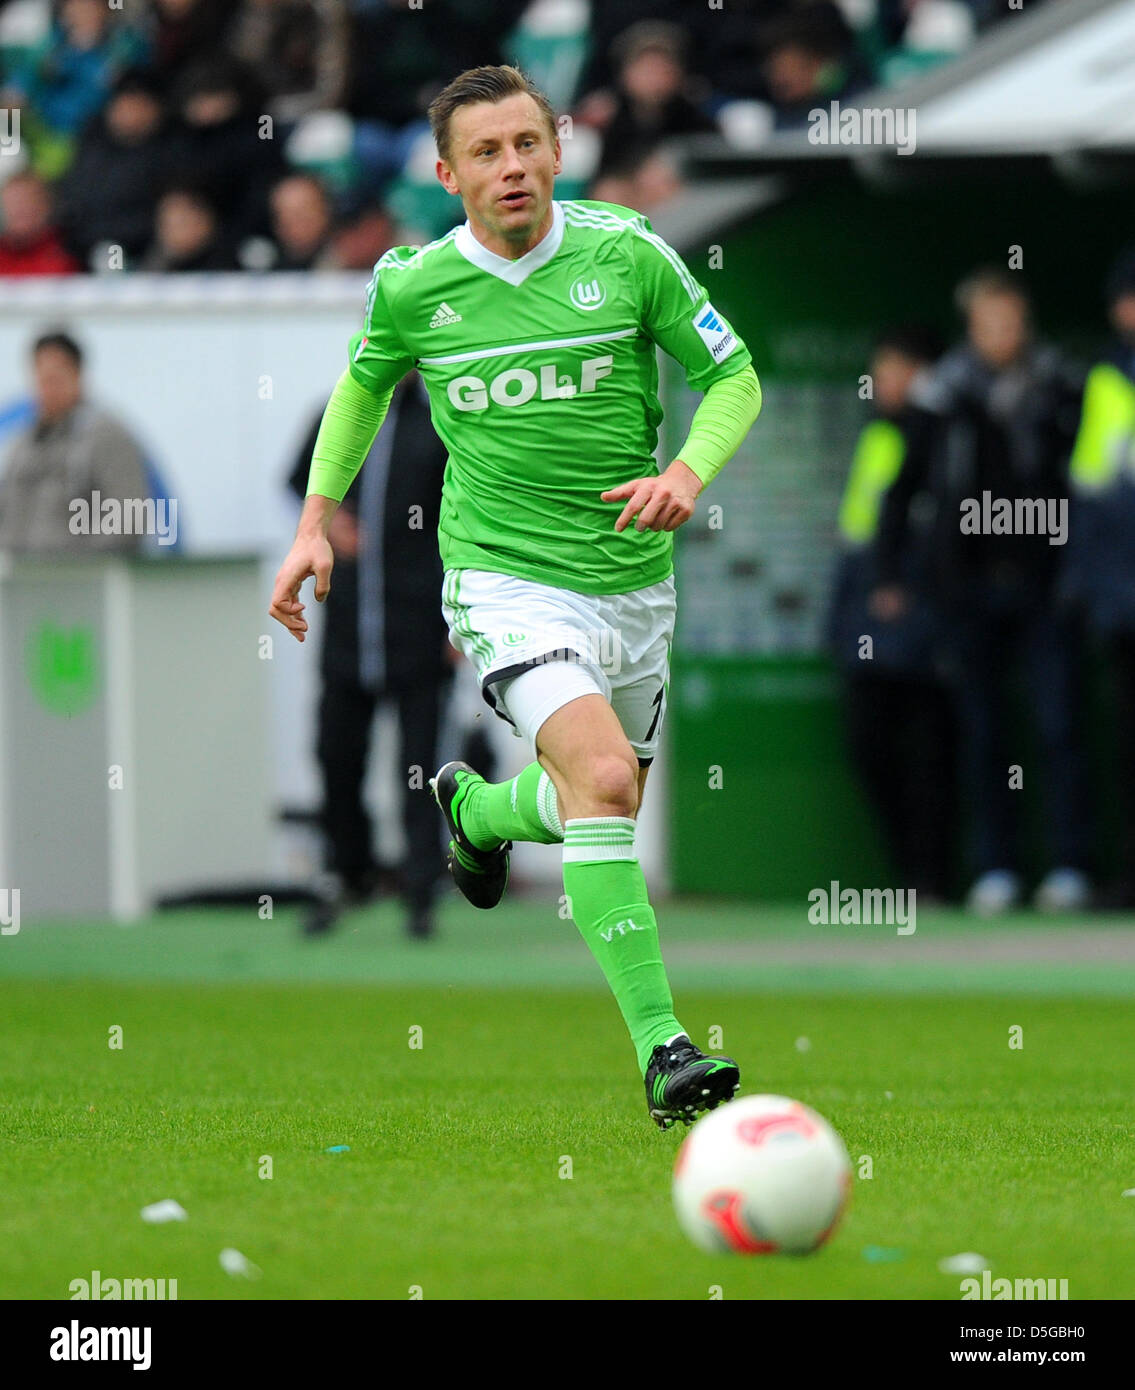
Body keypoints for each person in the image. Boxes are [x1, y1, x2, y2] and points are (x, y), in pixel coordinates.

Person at [269, 64, 763, 1131]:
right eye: (486, 153)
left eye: (526, 145)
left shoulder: (625, 254)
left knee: (601, 796)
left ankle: (478, 811)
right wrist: (315, 522)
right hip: (504, 579)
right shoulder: (414, 288)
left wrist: (685, 472)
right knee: (598, 776)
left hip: (632, 584)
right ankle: (662, 1049)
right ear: (448, 174)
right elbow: (360, 388)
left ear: (557, 148)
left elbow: (733, 376)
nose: (511, 168)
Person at [875, 270, 1090, 914]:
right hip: (968, 592)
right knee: (982, 732)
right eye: (989, 323)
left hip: (1048, 588)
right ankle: (994, 867)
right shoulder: (943, 400)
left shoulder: (1061, 388)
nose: (1002, 335)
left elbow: (1088, 484)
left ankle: (1070, 867)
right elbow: (903, 488)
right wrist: (890, 574)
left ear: (1026, 324)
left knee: (1059, 727)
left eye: (1012, 322)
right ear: (972, 327)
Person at [286, 374, 452, 939]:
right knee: (336, 756)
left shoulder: (441, 419)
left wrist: (459, 624)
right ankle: (346, 876)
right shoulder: (338, 413)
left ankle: (422, 891)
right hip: (348, 628)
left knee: (421, 767)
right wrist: (327, 521)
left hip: (419, 626)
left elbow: (467, 516)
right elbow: (297, 483)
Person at [827, 325, 956, 901]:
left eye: (896, 369)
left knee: (933, 750)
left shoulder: (946, 436)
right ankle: (912, 873)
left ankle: (932, 878)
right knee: (870, 744)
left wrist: (906, 587)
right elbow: (861, 531)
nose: (883, 381)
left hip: (926, 619)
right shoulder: (879, 433)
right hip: (865, 618)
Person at [1066, 248, 1135, 907]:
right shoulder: (1107, 377)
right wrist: (1085, 585)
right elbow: (1088, 487)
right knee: (1122, 742)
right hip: (1121, 597)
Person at [0, 331, 148, 554]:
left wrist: (77, 562)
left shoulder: (106, 438)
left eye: (56, 378)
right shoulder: (22, 445)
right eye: (41, 378)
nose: (47, 389)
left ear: (78, 376)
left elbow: (130, 518)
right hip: (21, 582)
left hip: (79, 582)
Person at [0, 172, 78, 276]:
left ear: (45, 206)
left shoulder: (69, 251)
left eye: (25, 202)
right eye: (13, 203)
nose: (18, 210)